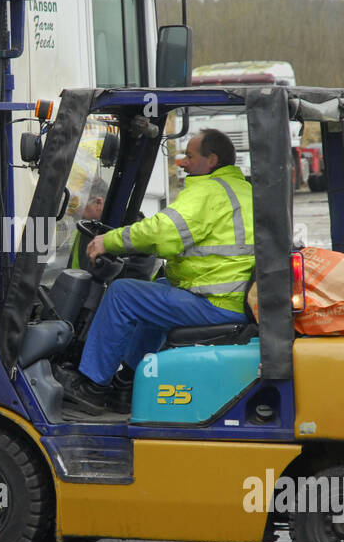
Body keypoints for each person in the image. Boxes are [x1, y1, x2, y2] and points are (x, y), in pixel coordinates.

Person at [60, 128, 255, 413]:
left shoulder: (209, 191)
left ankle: (92, 386)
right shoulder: (241, 189)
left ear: (211, 160)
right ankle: (127, 382)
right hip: (234, 297)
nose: (182, 162)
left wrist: (110, 241)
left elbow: (164, 232)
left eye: (189, 155)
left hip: (218, 302)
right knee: (159, 287)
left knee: (123, 294)